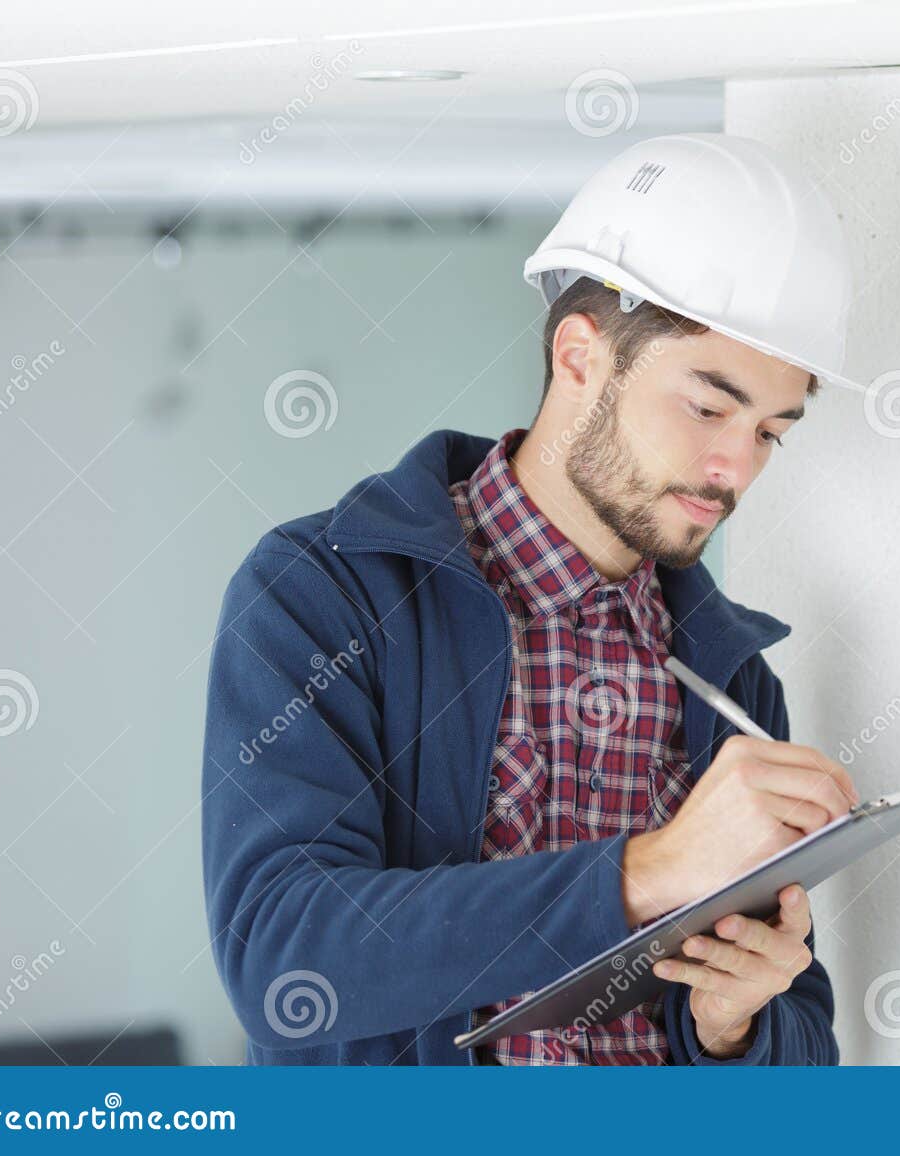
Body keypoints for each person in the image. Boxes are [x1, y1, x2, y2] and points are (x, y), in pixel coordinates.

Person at [200, 132, 858, 1065]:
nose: (734, 468)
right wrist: (651, 872)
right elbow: (283, 958)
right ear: (581, 355)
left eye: (770, 432)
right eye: (709, 408)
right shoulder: (324, 592)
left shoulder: (729, 678)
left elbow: (806, 1055)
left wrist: (734, 1027)